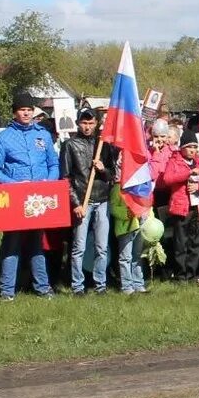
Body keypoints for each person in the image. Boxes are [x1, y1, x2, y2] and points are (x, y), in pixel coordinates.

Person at [0, 91, 60, 301]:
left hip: (40, 198)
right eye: (22, 110)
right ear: (15, 112)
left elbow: (53, 163)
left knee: (37, 243)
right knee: (12, 242)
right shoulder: (4, 138)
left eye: (29, 110)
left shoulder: (43, 135)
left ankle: (43, 288)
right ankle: (7, 291)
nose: (26, 114)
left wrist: (49, 181)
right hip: (15, 199)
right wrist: (14, 185)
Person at [61, 108, 115, 294]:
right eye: (84, 123)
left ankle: (100, 284)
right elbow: (66, 178)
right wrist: (75, 203)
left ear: (97, 124)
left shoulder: (103, 145)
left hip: (102, 200)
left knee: (102, 246)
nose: (87, 127)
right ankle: (77, 286)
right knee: (79, 247)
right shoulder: (70, 145)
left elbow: (112, 174)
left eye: (91, 123)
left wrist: (102, 169)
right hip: (82, 200)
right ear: (78, 123)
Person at [164, 131, 199, 282]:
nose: (193, 150)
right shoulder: (174, 161)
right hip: (181, 208)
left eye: (195, 147)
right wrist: (188, 174)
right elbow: (167, 179)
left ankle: (191, 274)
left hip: (198, 208)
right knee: (181, 243)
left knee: (196, 243)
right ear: (182, 148)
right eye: (190, 147)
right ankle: (180, 275)